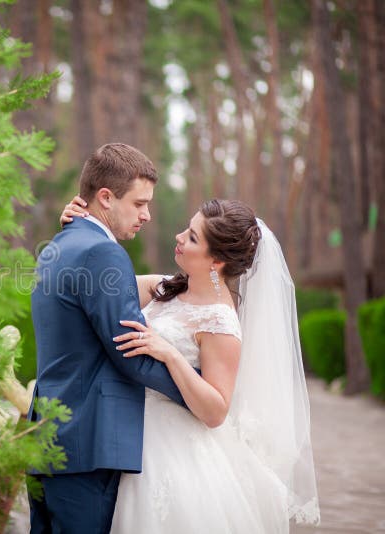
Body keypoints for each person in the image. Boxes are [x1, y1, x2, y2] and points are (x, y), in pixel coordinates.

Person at [59, 195, 320, 532]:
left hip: (173, 452)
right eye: (187, 228)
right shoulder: (164, 287)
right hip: (129, 430)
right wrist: (80, 230)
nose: (179, 237)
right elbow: (98, 286)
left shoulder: (221, 323)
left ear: (216, 262)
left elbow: (216, 410)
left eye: (193, 237)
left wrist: (170, 355)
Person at [27, 143, 193, 533]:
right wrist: (196, 390)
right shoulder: (103, 253)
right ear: (105, 197)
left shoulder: (58, 246)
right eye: (139, 204)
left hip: (48, 436)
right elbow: (131, 353)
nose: (147, 215)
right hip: (88, 444)